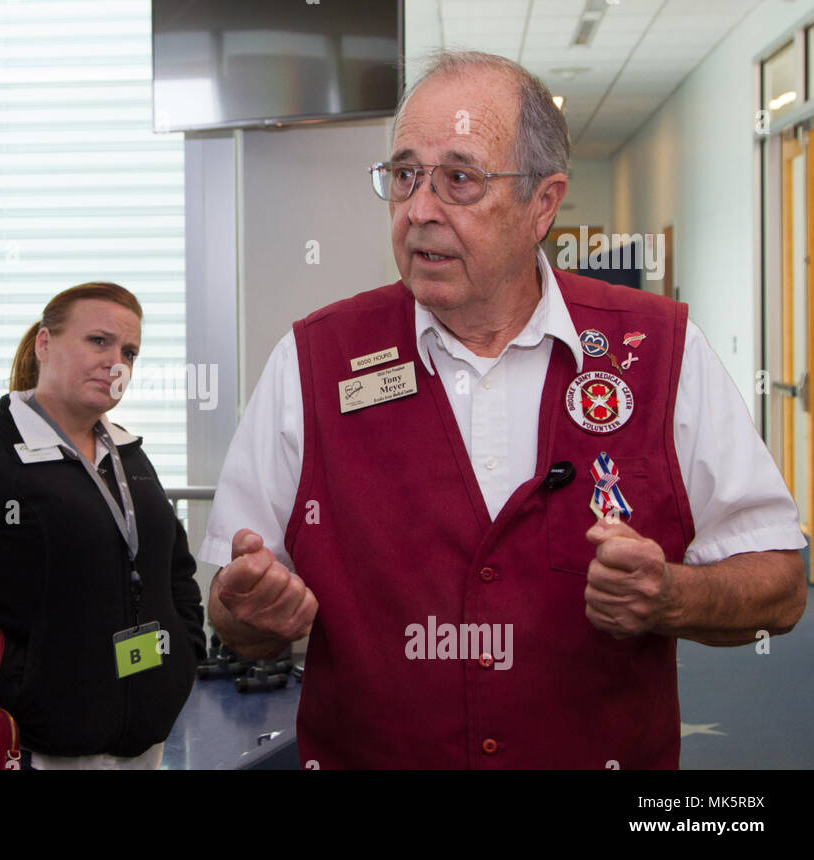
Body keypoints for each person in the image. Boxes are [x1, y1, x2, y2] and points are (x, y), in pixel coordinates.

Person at [199, 51, 808, 769]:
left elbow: (780, 584)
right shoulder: (311, 361)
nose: (420, 210)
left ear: (542, 204)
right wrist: (252, 615)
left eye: (459, 179)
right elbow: (231, 610)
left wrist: (670, 595)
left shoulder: (660, 351)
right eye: (403, 176)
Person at [0, 283, 206, 769]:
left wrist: (184, 656)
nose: (116, 363)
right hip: (38, 748)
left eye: (129, 352)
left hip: (144, 741)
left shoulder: (130, 457)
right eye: (98, 341)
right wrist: (22, 691)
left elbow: (173, 570)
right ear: (45, 344)